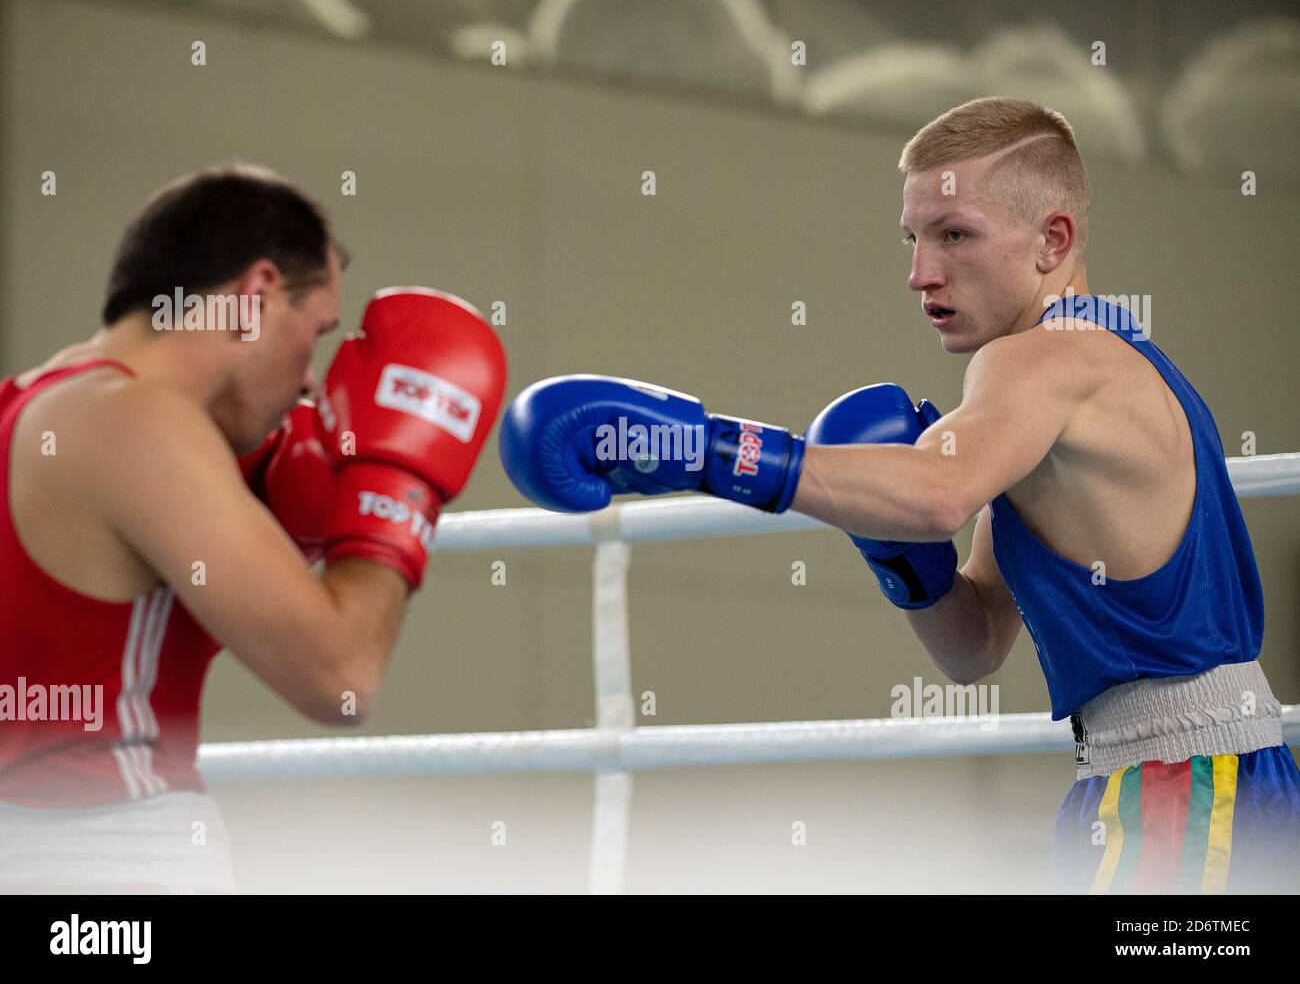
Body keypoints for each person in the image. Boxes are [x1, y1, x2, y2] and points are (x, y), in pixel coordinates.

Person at [497, 98, 1299, 893]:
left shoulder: (1044, 359)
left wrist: (707, 452)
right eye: (913, 238)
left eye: (955, 234)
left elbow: (939, 491)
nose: (920, 273)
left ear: (1052, 240)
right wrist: (901, 557)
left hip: (1187, 785)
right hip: (1162, 778)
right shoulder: (1075, 381)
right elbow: (974, 644)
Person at [0, 162, 506, 892]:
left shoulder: (29, 407)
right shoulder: (141, 425)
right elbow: (341, 676)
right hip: (116, 862)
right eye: (317, 330)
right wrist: (396, 485)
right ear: (256, 294)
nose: (310, 379)